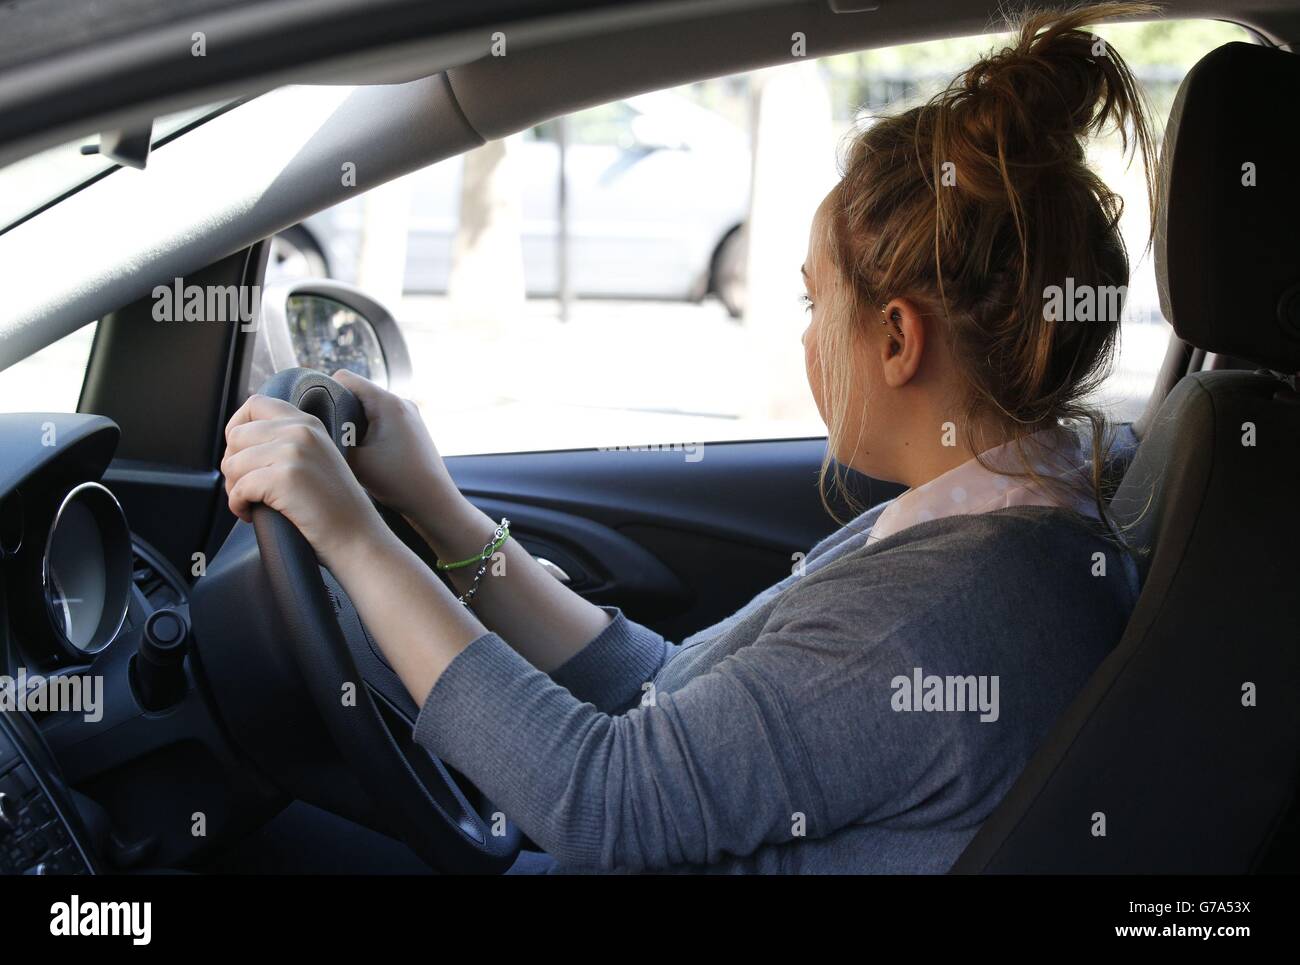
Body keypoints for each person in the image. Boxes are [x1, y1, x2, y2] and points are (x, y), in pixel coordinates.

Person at [219, 3, 1151, 873]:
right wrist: (436, 509)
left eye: (812, 299)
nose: (805, 334)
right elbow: (663, 690)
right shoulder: (988, 524)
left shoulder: (933, 617)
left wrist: (355, 537)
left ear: (899, 338)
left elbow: (602, 798)